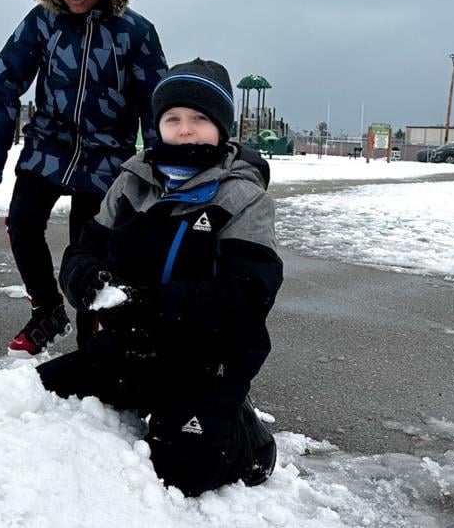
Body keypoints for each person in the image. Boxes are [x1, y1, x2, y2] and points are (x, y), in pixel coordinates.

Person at [38, 58, 283, 495]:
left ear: (221, 127)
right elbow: (83, 248)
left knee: (180, 476)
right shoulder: (134, 180)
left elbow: (245, 298)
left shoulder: (243, 197)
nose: (184, 129)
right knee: (37, 399)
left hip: (203, 360)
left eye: (199, 119)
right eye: (173, 118)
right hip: (130, 345)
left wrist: (150, 303)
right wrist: (83, 277)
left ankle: (247, 439)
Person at [0, 0, 168, 356]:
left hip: (106, 160)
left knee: (89, 247)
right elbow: (2, 81)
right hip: (49, 148)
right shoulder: (44, 22)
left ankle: (90, 332)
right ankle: (46, 309)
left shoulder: (135, 33)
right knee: (22, 225)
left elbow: (155, 104)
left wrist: (161, 173)